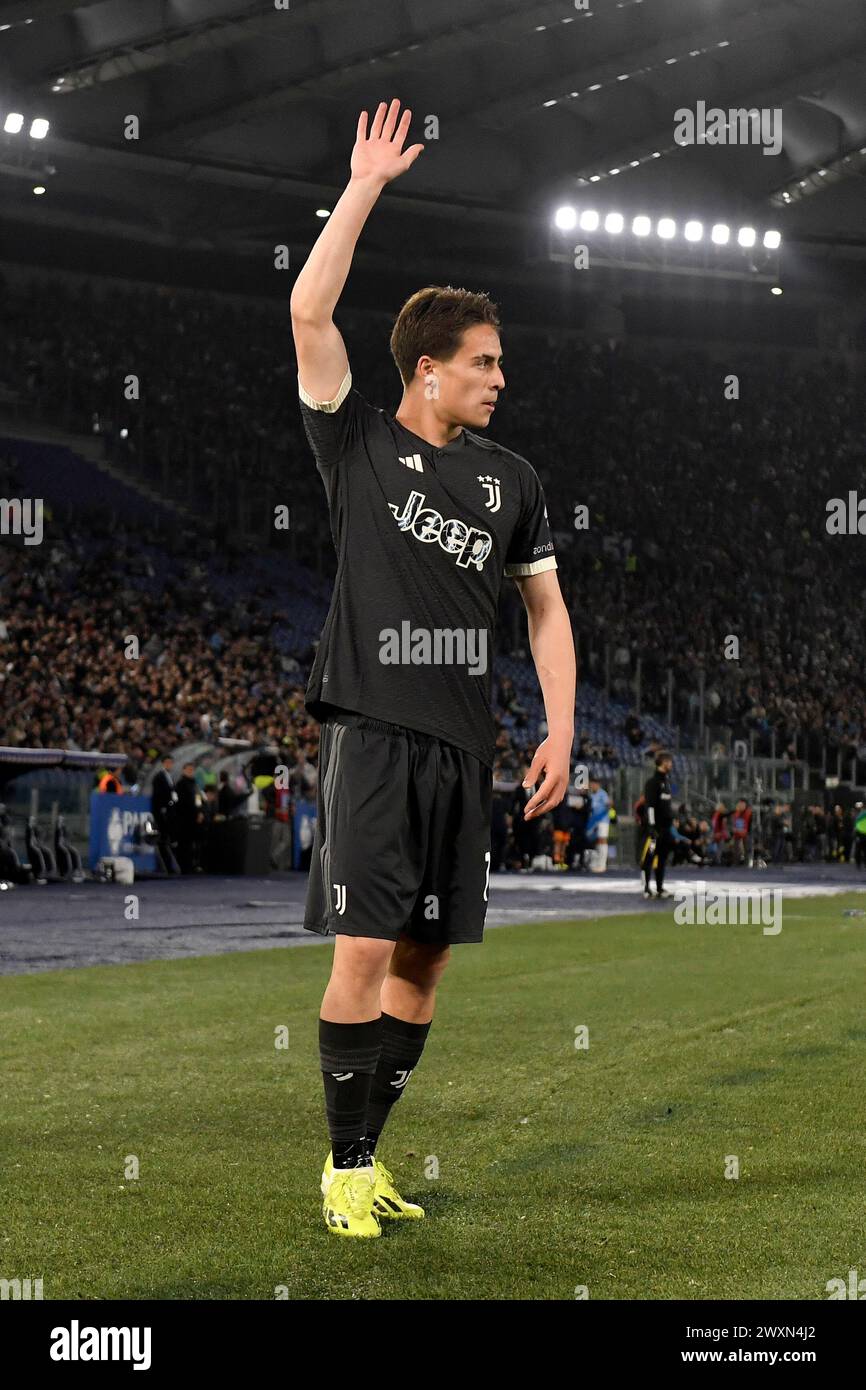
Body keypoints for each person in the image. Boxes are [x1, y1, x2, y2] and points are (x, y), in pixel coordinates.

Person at [290, 98, 576, 1238]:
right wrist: (363, 186)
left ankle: (371, 1156)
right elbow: (309, 306)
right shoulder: (356, 441)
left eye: (500, 364)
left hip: (467, 748)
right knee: (363, 946)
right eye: (483, 364)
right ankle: (340, 1165)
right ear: (425, 369)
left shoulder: (512, 479)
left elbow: (546, 613)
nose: (499, 379)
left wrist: (556, 727)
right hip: (372, 727)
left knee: (421, 964)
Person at [641, 750, 674, 898]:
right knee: (649, 858)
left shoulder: (666, 782)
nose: (670, 764)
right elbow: (650, 806)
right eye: (668, 761)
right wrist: (652, 826)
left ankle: (660, 888)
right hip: (655, 830)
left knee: (662, 858)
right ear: (662, 763)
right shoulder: (652, 783)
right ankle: (646, 887)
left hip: (666, 829)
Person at [150, 754, 179, 874]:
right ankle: (166, 867)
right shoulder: (159, 777)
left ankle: (169, 866)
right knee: (163, 838)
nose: (169, 765)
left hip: (169, 810)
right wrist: (162, 808)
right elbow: (158, 795)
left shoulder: (169, 776)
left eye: (171, 762)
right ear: (163, 763)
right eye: (167, 762)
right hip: (162, 811)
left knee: (167, 838)